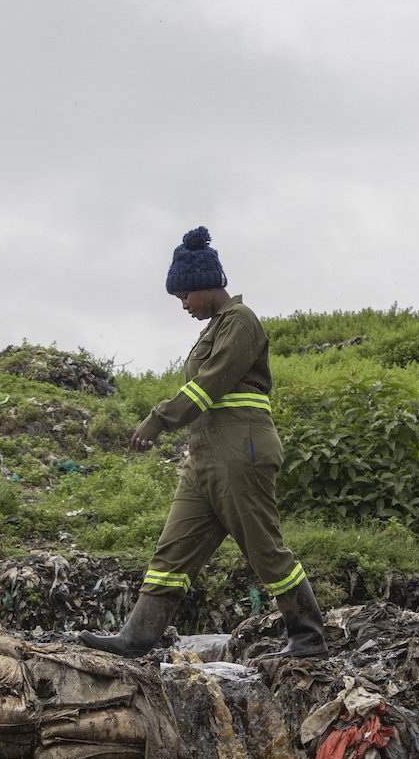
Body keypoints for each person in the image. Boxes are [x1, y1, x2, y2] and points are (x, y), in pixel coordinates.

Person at [78, 227, 326, 659]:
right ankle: (136, 637)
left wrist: (159, 419)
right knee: (173, 551)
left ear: (204, 286)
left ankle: (307, 637)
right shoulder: (215, 326)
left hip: (240, 450)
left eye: (185, 297)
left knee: (265, 550)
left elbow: (211, 383)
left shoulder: (241, 321)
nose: (184, 306)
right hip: (205, 458)